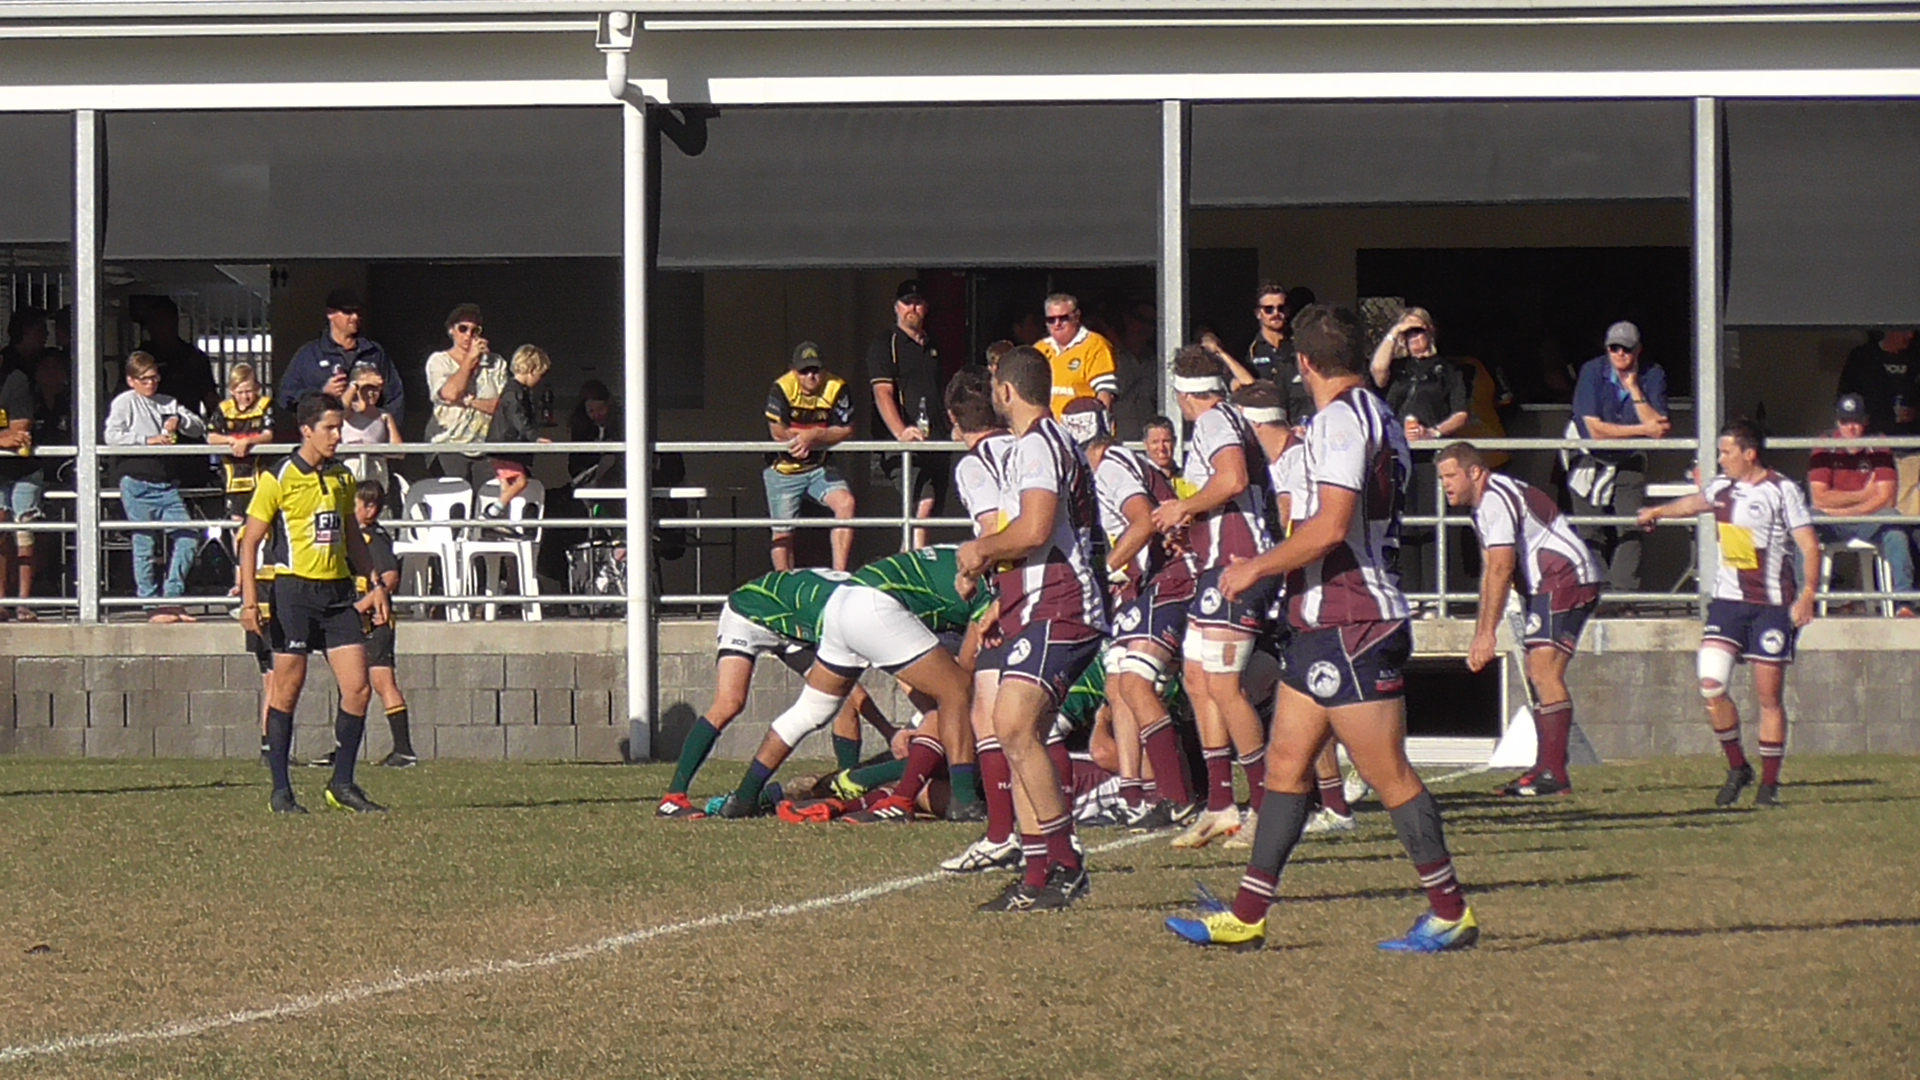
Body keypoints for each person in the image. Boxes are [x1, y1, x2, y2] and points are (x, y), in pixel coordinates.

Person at [1173, 303, 1477, 954]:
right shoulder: (1373, 415)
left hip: (1352, 617)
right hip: (1326, 619)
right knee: (1285, 768)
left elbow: (1331, 525)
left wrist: (1254, 566)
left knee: (1390, 773)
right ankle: (1249, 915)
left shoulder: (1342, 421)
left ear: (1303, 363)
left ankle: (1450, 909)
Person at [957, 346, 1108, 912]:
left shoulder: (1038, 445)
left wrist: (978, 552)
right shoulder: (1050, 442)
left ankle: (1064, 864)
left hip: (1061, 603)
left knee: (1014, 726)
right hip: (1038, 601)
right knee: (1016, 732)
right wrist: (1001, 597)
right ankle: (1039, 872)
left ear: (1006, 391)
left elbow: (1034, 528)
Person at [711, 545, 984, 823]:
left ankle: (744, 797)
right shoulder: (995, 581)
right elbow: (967, 663)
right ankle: (960, 800)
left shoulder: (964, 557)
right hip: (874, 605)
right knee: (956, 690)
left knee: (811, 711)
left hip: (845, 602)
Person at [1637, 419, 1817, 810]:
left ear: (1749, 453)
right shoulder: (1722, 487)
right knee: (1710, 684)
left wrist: (1807, 595)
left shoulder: (1781, 490)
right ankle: (1738, 767)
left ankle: (1769, 785)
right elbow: (1695, 502)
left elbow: (1809, 545)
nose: (1721, 459)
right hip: (1728, 603)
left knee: (1768, 697)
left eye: (1727, 452)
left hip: (1770, 606)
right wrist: (1658, 512)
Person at [1150, 345, 1280, 849]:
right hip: (1217, 563)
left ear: (1185, 395)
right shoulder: (1225, 418)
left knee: (1225, 687)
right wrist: (1193, 521)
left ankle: (1268, 808)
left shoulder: (1213, 423)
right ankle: (1221, 803)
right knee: (1198, 680)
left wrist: (1183, 506)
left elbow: (1232, 479)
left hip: (1237, 565)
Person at [237, 392, 392, 815]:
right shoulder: (279, 476)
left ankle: (342, 783)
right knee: (287, 690)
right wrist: (250, 602)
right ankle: (281, 790)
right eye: (329, 427)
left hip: (338, 593)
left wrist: (373, 583)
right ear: (306, 429)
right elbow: (249, 542)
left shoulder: (342, 478)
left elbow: (350, 535)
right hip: (294, 593)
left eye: (339, 427)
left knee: (358, 689)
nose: (337, 435)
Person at [653, 568, 892, 819]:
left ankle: (848, 785)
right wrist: (890, 733)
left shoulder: (859, 600)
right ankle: (673, 798)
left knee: (841, 699)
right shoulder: (836, 610)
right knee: (730, 703)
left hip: (789, 624)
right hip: (748, 615)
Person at [1438, 441, 1605, 798]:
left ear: (1475, 472)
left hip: (1563, 578)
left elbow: (1500, 566)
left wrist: (1485, 635)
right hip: (1549, 584)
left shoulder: (1495, 499)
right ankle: (1546, 768)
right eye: (1442, 478)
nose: (1446, 484)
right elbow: (1492, 569)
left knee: (1544, 670)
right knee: (1538, 670)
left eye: (1451, 475)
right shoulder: (1485, 504)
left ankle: (1555, 774)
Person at [311, 480, 417, 769]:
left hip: (372, 619)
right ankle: (344, 749)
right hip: (357, 616)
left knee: (382, 682)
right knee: (351, 685)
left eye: (354, 505)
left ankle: (404, 749)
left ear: (369, 507)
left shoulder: (372, 537)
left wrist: (362, 606)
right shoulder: (353, 535)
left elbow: (390, 577)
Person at [1370, 307, 1471, 598]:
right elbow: (1377, 372)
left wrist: (1433, 433)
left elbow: (1461, 412)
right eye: (1409, 333)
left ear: (1431, 331)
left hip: (1432, 458)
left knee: (1435, 522)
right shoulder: (1398, 369)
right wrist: (1395, 332)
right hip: (1398, 457)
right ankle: (1410, 594)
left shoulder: (1447, 370)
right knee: (1403, 523)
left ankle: (1437, 594)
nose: (1414, 337)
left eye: (1419, 330)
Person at [1569, 320, 1672, 593]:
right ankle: (1594, 592)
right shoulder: (1592, 371)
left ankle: (1622, 595)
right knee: (1589, 529)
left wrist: (1635, 390)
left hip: (1629, 459)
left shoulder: (1653, 374)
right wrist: (1642, 429)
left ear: (1638, 350)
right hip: (1588, 457)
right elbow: (1594, 430)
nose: (1620, 354)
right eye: (1614, 348)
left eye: (1626, 349)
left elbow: (1659, 430)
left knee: (1631, 525)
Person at [104, 351, 206, 623]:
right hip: (136, 480)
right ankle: (150, 603)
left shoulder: (168, 402)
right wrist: (147, 440)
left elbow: (199, 426)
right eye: (145, 379)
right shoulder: (124, 403)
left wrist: (180, 421)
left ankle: (172, 598)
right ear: (131, 380)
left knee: (188, 537)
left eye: (154, 378)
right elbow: (111, 435)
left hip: (166, 484)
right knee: (144, 542)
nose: (151, 384)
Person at [1808, 393, 1915, 617]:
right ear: (1838, 422)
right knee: (1804, 525)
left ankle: (1903, 604)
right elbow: (1819, 498)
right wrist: (1865, 494)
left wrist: (1845, 509)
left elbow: (1886, 498)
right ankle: (1805, 599)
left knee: (1895, 525)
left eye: (1856, 421)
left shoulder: (1879, 443)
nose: (1852, 429)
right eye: (1846, 422)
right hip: (1833, 522)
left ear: (1865, 421)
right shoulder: (1824, 444)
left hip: (1865, 519)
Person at [868, 278, 949, 549]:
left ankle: (908, 560)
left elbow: (943, 389)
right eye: (906, 303)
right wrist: (901, 431)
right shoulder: (884, 344)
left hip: (937, 441)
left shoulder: (933, 343)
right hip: (905, 445)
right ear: (896, 307)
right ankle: (913, 570)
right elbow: (883, 393)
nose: (912, 308)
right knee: (922, 505)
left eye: (917, 302)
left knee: (929, 513)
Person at [763, 342, 856, 572]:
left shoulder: (837, 387)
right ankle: (784, 587)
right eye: (804, 371)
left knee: (846, 503)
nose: (811, 376)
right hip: (784, 468)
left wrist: (814, 436)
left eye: (816, 370)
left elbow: (846, 429)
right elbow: (776, 430)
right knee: (783, 531)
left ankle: (839, 575)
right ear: (794, 370)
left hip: (820, 466)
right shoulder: (782, 387)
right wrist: (798, 441)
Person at [281, 288, 406, 427]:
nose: (355, 317)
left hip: (370, 438)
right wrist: (323, 393)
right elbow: (286, 398)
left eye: (358, 312)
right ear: (330, 313)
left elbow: (394, 398)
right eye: (348, 312)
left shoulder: (374, 352)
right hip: (325, 437)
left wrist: (383, 429)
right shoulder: (309, 355)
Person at [424, 303, 507, 488]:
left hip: (486, 447)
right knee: (455, 504)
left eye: (475, 330)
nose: (469, 335)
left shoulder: (496, 363)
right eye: (463, 328)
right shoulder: (439, 361)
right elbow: (450, 393)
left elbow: (503, 407)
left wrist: (470, 401)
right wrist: (469, 360)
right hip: (449, 444)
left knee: (489, 502)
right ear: (451, 330)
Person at [485, 345, 551, 518]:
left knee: (507, 486)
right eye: (540, 375)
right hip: (504, 448)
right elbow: (519, 419)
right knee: (520, 481)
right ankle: (494, 511)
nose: (540, 380)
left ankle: (502, 519)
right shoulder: (514, 394)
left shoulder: (516, 392)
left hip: (501, 448)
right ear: (531, 370)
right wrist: (534, 438)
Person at [207, 363, 277, 523]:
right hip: (233, 472)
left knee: (261, 517)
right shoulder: (224, 408)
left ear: (257, 388)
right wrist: (231, 440)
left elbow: (268, 435)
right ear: (232, 391)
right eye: (240, 392)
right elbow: (211, 437)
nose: (245, 397)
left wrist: (247, 441)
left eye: (249, 391)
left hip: (260, 469)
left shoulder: (265, 405)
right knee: (236, 520)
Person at [129, 295, 220, 416]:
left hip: (186, 427)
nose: (159, 328)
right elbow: (123, 396)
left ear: (175, 322)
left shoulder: (194, 358)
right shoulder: (139, 358)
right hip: (147, 429)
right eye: (154, 322)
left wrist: (221, 425)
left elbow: (210, 399)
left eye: (163, 321)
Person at [1032, 293, 1117, 418]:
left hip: (1084, 431)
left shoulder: (1095, 344)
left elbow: (1105, 393)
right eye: (1051, 320)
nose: (1057, 324)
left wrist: (1099, 429)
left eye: (1063, 318)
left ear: (1076, 317)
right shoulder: (1040, 349)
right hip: (1049, 431)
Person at [338, 362, 402, 495]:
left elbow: (399, 450)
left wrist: (375, 450)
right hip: (351, 469)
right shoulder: (348, 413)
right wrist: (356, 384)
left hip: (376, 471)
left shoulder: (384, 416)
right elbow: (341, 408)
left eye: (376, 389)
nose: (372, 393)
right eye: (367, 388)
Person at [1142, 416, 1178, 484]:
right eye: (1155, 442)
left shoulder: (1187, 477)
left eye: (1166, 441)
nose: (1161, 447)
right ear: (1146, 444)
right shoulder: (1141, 480)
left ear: (1174, 442)